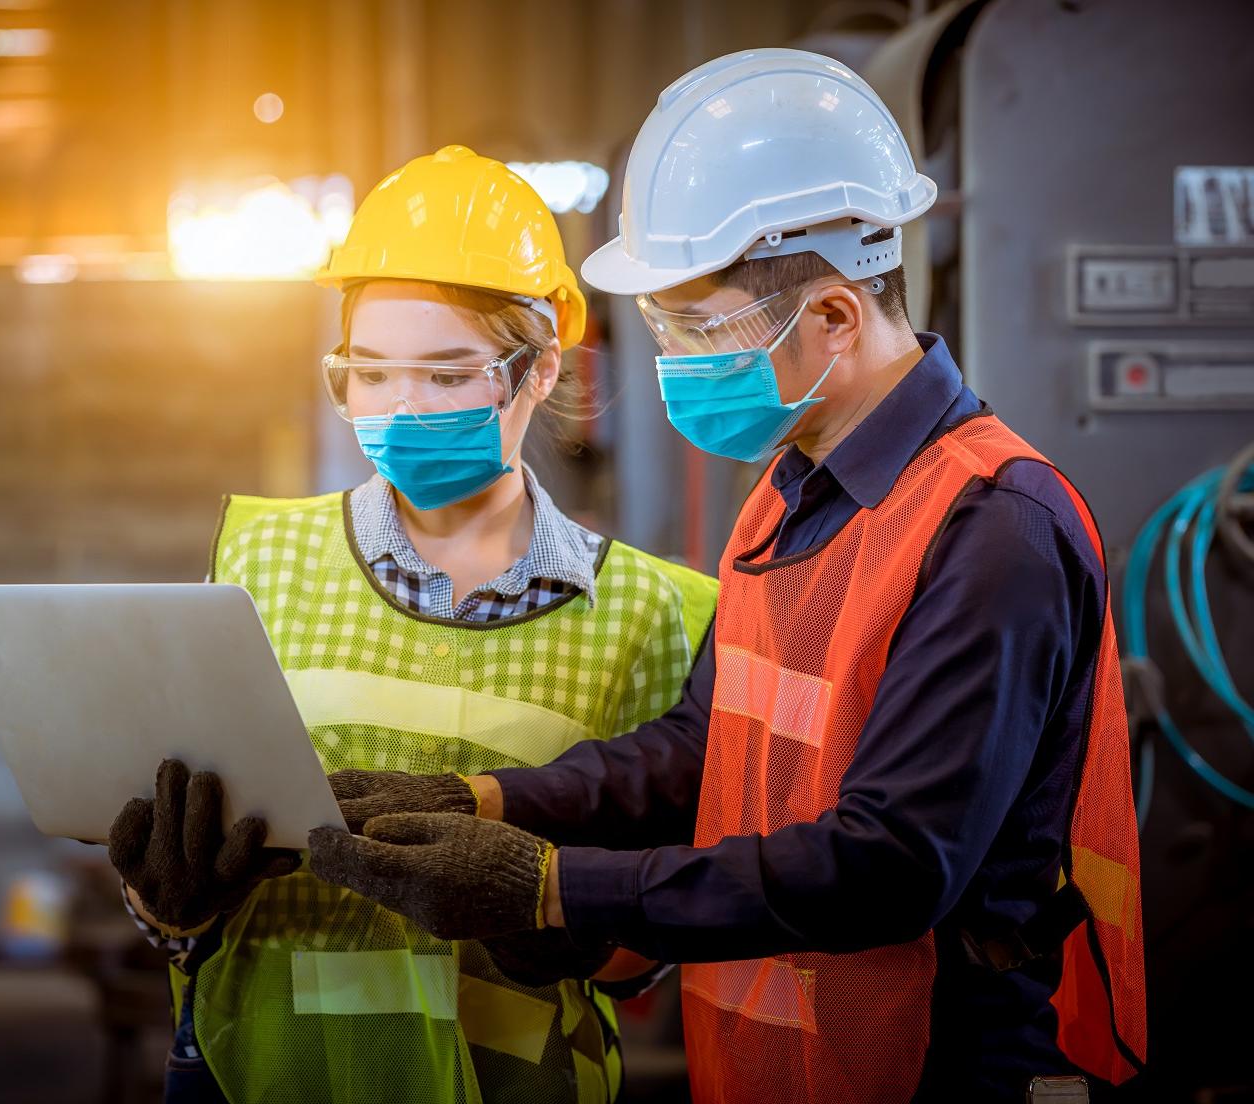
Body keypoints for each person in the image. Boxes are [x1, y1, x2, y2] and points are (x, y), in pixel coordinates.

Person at [307, 51, 1147, 1103]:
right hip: (784, 1059)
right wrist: (481, 800)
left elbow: (889, 865)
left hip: (946, 1065)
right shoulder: (789, 488)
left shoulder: (992, 529)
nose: (671, 360)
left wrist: (554, 888)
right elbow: (704, 746)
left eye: (694, 327)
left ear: (834, 318)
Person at [106, 144, 718, 1104]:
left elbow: (648, 945)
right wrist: (167, 902)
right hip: (257, 1073)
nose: (400, 406)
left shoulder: (656, 615)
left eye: (444, 374)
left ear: (540, 368)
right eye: (370, 373)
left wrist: (538, 915)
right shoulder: (259, 560)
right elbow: (188, 856)